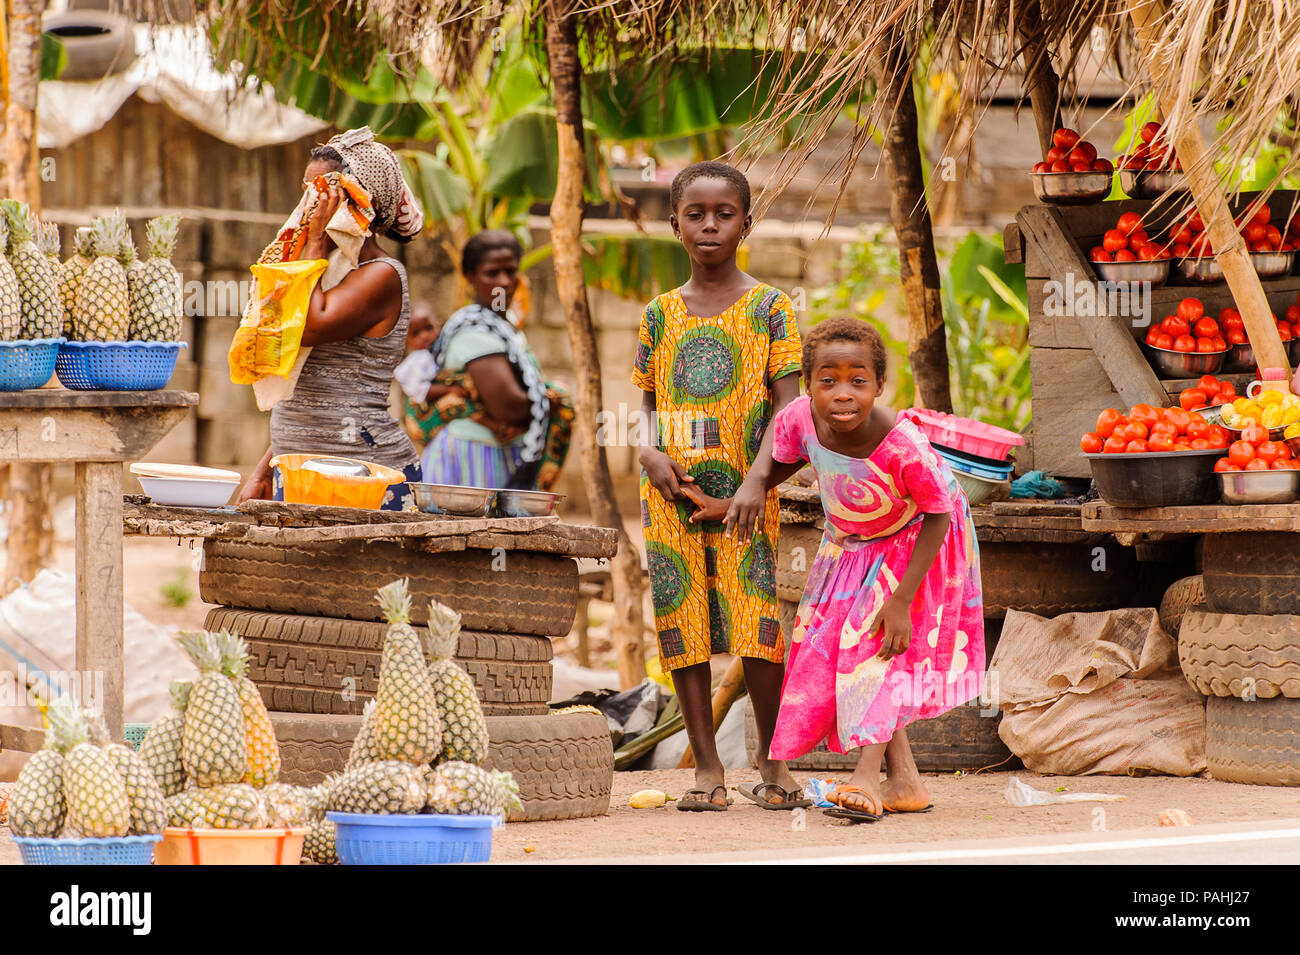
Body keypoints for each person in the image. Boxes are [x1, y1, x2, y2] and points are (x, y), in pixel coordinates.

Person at [756, 317, 985, 820]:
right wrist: (751, 487)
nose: (842, 394)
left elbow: (939, 512)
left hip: (920, 540)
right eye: (827, 380)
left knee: (879, 646)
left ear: (879, 386)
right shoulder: (799, 417)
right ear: (807, 383)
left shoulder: (903, 445)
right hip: (852, 544)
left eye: (858, 381)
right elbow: (785, 449)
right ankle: (904, 782)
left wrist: (902, 598)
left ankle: (866, 778)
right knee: (851, 649)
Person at [632, 161, 805, 811]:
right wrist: (648, 453)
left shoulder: (770, 309)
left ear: (746, 223)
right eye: (695, 213)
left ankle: (774, 761)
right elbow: (648, 412)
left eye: (723, 213)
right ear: (674, 223)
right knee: (683, 627)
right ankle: (707, 768)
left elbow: (791, 418)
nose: (709, 225)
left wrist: (753, 487)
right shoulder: (657, 315)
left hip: (744, 501)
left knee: (758, 627)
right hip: (671, 500)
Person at [237, 127, 425, 510]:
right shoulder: (321, 271)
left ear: (358, 200)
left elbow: (306, 327)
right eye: (306, 190)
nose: (308, 204)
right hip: (298, 471)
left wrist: (316, 241)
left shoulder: (381, 275)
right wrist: (263, 468)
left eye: (321, 192)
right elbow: (307, 390)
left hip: (365, 476)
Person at [416, 230, 572, 491]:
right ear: (470, 277)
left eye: (511, 272)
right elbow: (509, 408)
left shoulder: (504, 326)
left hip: (501, 456)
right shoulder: (473, 332)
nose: (505, 282)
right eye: (492, 273)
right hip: (472, 462)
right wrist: (554, 393)